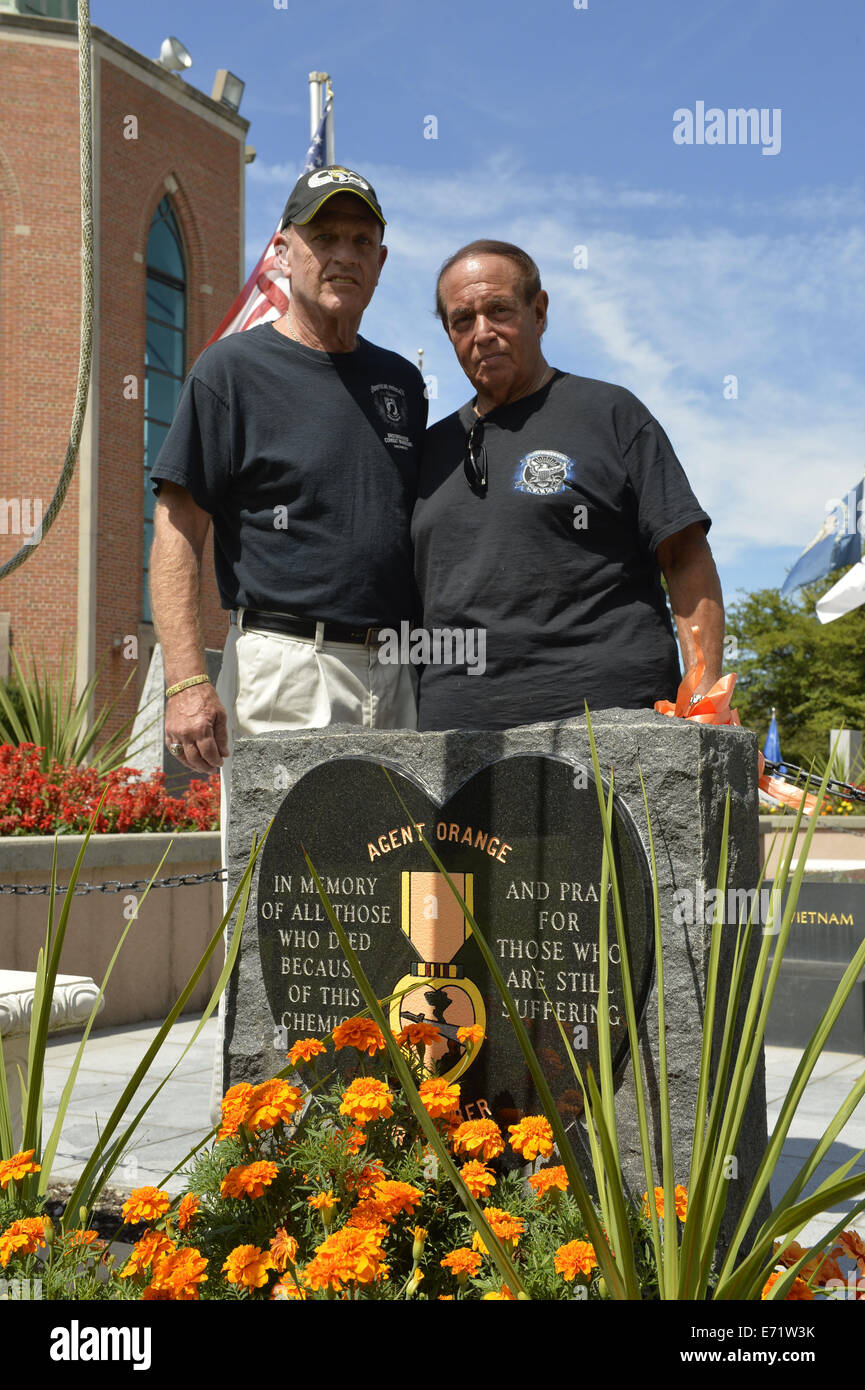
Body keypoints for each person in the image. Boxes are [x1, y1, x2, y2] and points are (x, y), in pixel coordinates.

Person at [149, 166, 427, 806]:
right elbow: (178, 526)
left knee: (394, 889)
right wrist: (188, 678)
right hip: (286, 670)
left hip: (397, 674)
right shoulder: (232, 370)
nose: (343, 255)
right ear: (283, 251)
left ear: (381, 262)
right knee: (285, 894)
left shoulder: (402, 385)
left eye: (361, 241)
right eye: (324, 236)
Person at [411, 240, 723, 731]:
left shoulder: (613, 415)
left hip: (609, 729)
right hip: (456, 737)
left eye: (499, 310)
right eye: (462, 320)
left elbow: (684, 555)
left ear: (539, 311)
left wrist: (703, 691)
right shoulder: (429, 451)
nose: (483, 333)